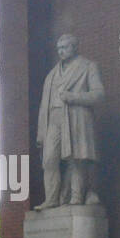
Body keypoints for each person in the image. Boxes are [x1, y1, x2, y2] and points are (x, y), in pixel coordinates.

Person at [35, 34, 104, 209]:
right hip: (54, 119)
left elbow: (99, 94)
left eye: (64, 47)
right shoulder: (51, 76)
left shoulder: (88, 67)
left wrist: (74, 97)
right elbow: (44, 105)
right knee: (49, 160)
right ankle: (51, 199)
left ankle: (76, 197)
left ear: (74, 47)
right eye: (59, 48)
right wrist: (41, 132)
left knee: (76, 158)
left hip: (75, 117)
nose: (61, 52)